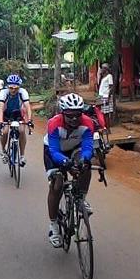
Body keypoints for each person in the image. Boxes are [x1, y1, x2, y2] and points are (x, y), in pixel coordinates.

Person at [44, 93, 95, 248]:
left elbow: (87, 147)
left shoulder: (87, 123)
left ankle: (81, 199)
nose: (74, 119)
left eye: (77, 115)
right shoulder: (54, 123)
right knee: (58, 184)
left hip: (75, 148)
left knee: (86, 167)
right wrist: (65, 162)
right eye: (70, 116)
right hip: (55, 152)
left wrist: (83, 160)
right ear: (62, 113)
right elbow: (53, 150)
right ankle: (53, 226)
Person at [0, 74, 33, 167]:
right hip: (6, 114)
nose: (13, 90)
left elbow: (28, 107)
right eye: (11, 88)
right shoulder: (3, 93)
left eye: (16, 88)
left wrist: (29, 120)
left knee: (21, 131)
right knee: (5, 132)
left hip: (18, 114)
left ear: (19, 87)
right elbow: (0, 109)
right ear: (7, 86)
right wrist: (1, 122)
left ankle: (22, 155)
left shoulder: (23, 92)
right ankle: (3, 151)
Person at [98, 63, 114, 129]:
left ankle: (108, 129)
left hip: (106, 97)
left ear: (106, 69)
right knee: (103, 113)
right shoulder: (103, 77)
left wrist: (108, 97)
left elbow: (111, 87)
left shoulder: (109, 76)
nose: (101, 69)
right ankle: (105, 127)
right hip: (102, 96)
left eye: (102, 68)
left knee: (106, 114)